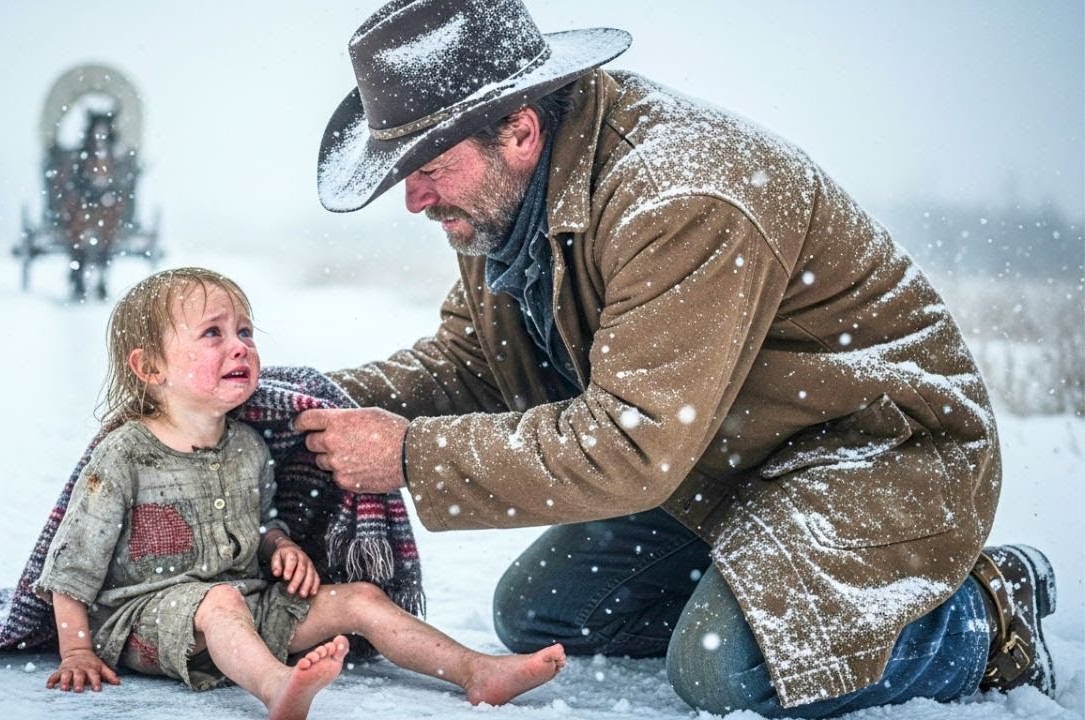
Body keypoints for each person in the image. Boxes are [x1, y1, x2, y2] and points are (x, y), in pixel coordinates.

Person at [293, 0, 1058, 716]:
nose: (413, 200)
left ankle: (983, 613)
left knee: (725, 668)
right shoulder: (501, 203)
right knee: (541, 613)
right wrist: (304, 399)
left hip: (876, 453)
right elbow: (472, 363)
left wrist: (410, 455)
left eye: (428, 168)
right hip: (721, 456)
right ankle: (771, 589)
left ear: (519, 131)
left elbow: (629, 443)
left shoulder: (678, 198)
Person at [34, 267, 567, 719]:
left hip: (247, 608)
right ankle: (276, 686)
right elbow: (72, 563)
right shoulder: (125, 456)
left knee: (360, 598)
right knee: (219, 602)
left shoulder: (248, 445)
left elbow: (261, 522)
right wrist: (76, 650)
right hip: (143, 625)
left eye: (245, 331)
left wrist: (281, 546)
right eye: (213, 334)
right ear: (150, 367)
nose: (240, 346)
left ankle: (476, 671)